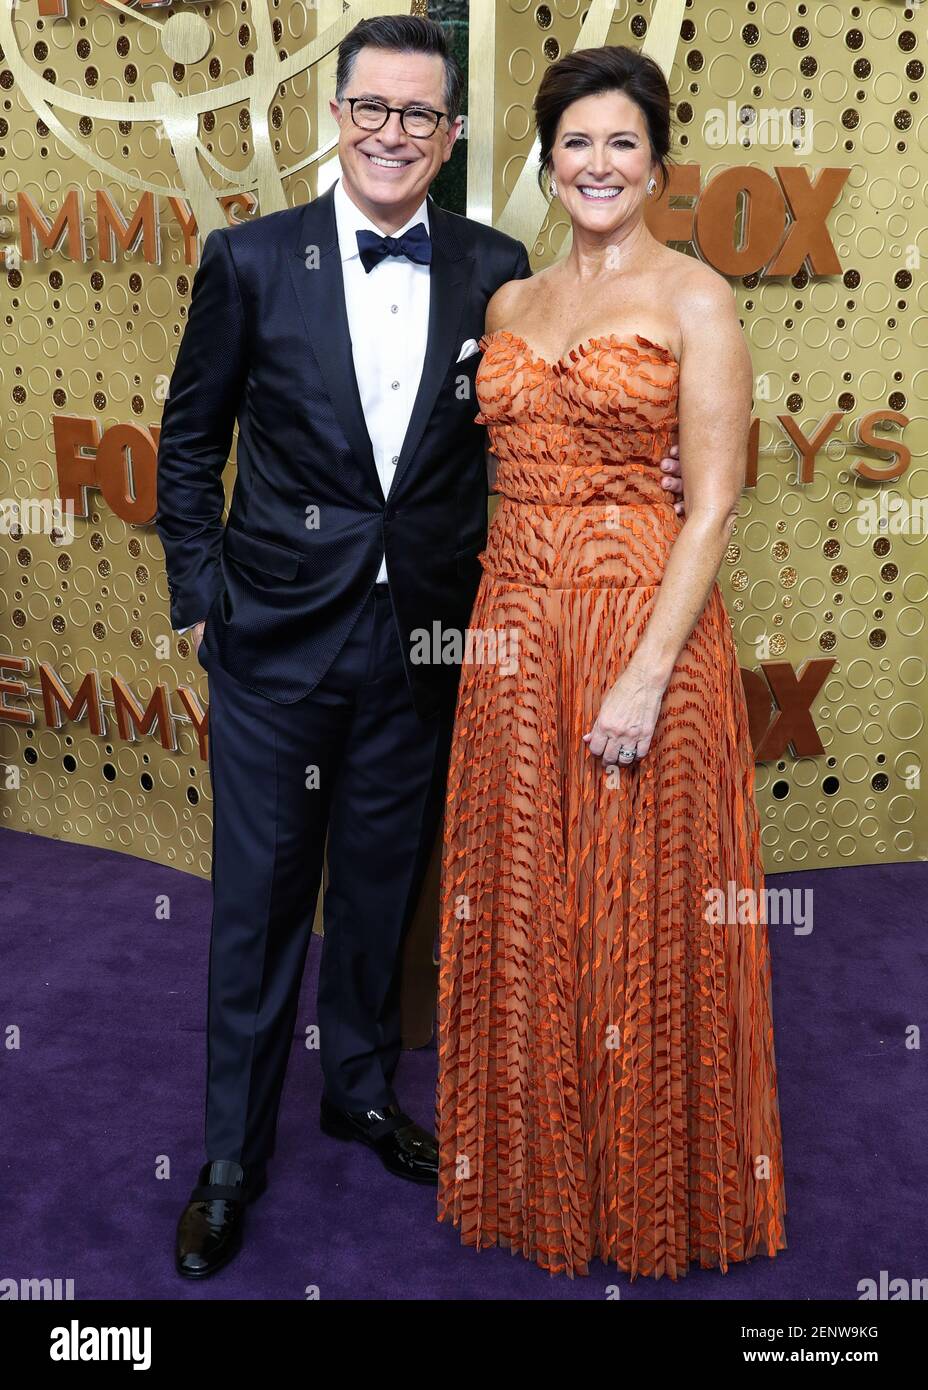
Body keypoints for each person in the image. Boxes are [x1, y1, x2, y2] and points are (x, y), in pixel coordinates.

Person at [155, 11, 690, 1282]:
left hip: (429, 644)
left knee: (382, 894)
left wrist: (650, 458)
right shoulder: (245, 260)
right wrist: (197, 595)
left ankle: (357, 1088)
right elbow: (189, 443)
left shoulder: (496, 269)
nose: (394, 133)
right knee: (260, 906)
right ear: (332, 119)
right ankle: (228, 1159)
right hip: (275, 642)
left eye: (420, 116)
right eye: (371, 109)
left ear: (450, 136)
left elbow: (548, 407)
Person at [435, 43, 787, 1280]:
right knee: (529, 891)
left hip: (644, 629)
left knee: (637, 899)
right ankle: (539, 1174)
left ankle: (653, 1186)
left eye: (620, 144)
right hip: (511, 630)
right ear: (545, 160)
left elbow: (711, 506)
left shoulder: (697, 298)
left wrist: (642, 672)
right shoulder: (508, 305)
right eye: (575, 142)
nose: (596, 163)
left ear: (656, 163)